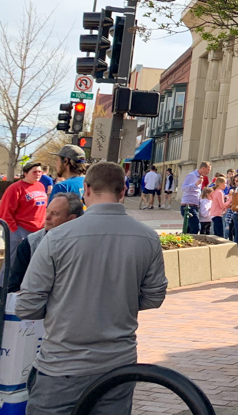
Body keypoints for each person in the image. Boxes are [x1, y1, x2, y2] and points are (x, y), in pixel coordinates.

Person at [16, 161, 168, 414]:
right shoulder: (147, 237)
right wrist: (119, 301)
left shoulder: (56, 238)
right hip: (118, 364)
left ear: (85, 189)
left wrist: (64, 305)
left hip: (61, 364)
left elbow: (27, 305)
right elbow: (154, 297)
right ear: (123, 191)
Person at [8, 193, 84, 292]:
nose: (47, 217)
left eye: (55, 213)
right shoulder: (30, 243)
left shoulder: (83, 244)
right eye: (47, 211)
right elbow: (14, 286)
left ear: (71, 219)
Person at [0, 162, 48, 246]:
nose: (38, 174)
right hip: (20, 231)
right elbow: (5, 211)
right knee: (14, 259)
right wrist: (14, 230)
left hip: (38, 231)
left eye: (40, 172)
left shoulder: (41, 186)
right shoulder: (15, 188)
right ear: (25, 173)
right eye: (34, 172)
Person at [181, 162, 212, 234]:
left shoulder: (201, 177)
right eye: (208, 170)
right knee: (196, 227)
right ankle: (190, 242)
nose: (209, 172)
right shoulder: (192, 175)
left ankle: (185, 241)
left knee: (189, 228)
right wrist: (195, 184)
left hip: (194, 205)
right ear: (203, 168)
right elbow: (183, 188)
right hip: (188, 205)